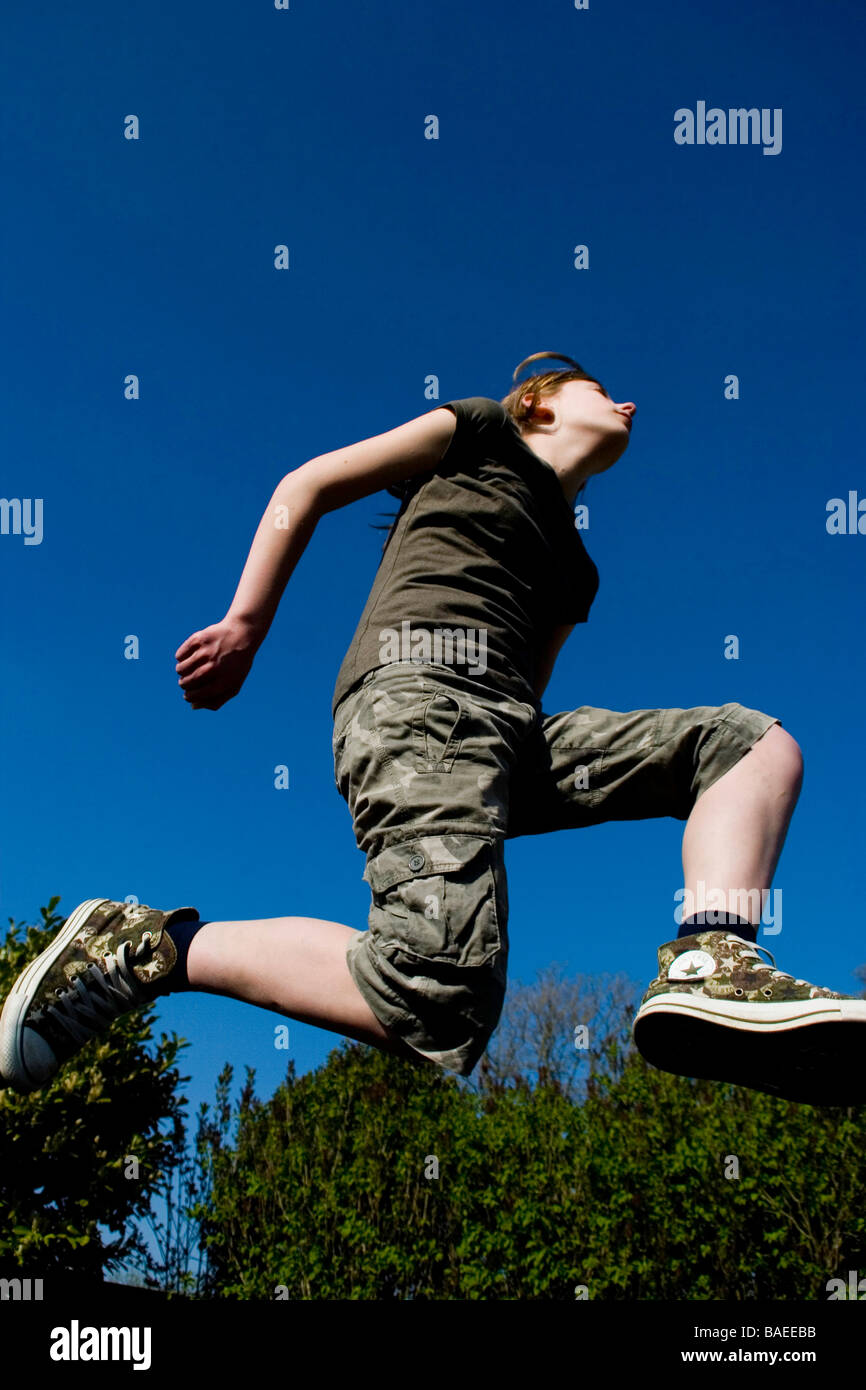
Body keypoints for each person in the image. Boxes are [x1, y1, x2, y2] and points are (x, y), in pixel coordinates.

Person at [2, 351, 864, 1106]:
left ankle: (713, 957)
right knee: (437, 997)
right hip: (419, 696)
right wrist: (245, 623)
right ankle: (155, 946)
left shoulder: (576, 569)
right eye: (607, 389)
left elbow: (532, 687)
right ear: (540, 403)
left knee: (749, 745)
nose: (630, 405)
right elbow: (307, 486)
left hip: (503, 732)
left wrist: (513, 785)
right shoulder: (481, 434)